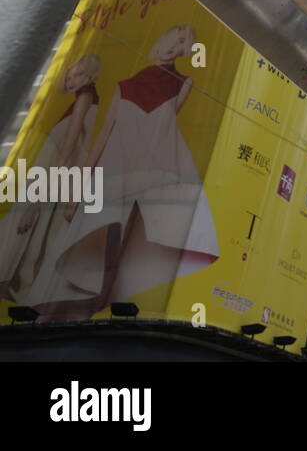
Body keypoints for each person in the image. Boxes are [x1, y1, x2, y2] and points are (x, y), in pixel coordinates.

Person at [54, 25, 220, 317]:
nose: (175, 45)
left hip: (154, 178)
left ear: (184, 51)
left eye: (183, 43)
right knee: (99, 246)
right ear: (162, 38)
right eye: (174, 37)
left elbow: (163, 132)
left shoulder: (184, 83)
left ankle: (108, 318)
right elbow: (104, 136)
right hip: (113, 174)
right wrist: (77, 190)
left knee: (134, 253)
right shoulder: (123, 86)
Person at [0, 55, 101, 309]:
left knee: (21, 229)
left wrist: (37, 199)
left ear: (89, 75)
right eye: (68, 76)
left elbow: (68, 147)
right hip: (55, 173)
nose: (70, 80)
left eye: (76, 75)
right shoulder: (84, 98)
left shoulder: (85, 98)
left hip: (53, 172)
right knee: (33, 235)